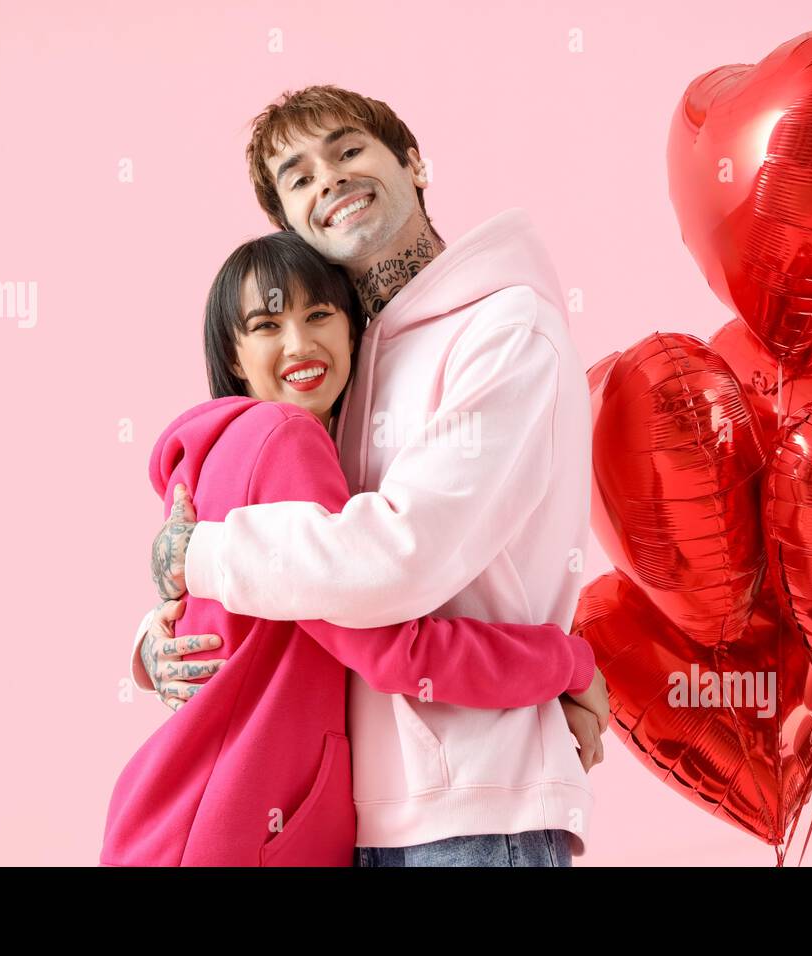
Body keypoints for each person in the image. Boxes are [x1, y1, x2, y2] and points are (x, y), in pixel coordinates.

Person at [134, 85, 601, 866]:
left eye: (349, 151)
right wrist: (162, 634)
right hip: (349, 816)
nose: (330, 179)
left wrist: (200, 556)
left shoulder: (506, 330)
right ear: (291, 225)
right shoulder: (334, 374)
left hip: (476, 809)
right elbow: (304, 560)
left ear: (414, 164)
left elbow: (400, 559)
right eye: (300, 176)